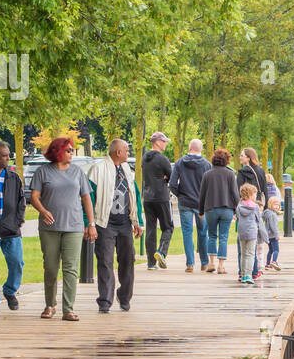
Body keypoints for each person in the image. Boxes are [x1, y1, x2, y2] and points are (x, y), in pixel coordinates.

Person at [29, 137, 95, 322]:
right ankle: (50, 304)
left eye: (73, 150)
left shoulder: (77, 172)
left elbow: (86, 198)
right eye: (69, 150)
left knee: (71, 268)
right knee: (50, 267)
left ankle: (68, 308)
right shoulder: (43, 172)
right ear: (58, 151)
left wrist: (91, 224)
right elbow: (34, 196)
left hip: (73, 227)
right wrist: (42, 210)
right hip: (49, 228)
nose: (72, 153)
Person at [87, 139, 144, 313]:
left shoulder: (127, 170)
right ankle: (105, 301)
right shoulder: (98, 169)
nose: (129, 153)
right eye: (126, 150)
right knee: (105, 261)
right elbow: (88, 197)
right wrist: (90, 223)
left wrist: (138, 221)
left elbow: (135, 195)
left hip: (125, 223)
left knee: (128, 261)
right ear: (118, 152)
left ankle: (124, 296)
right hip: (105, 223)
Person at [0, 141, 27, 315]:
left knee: (17, 264)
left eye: (8, 154)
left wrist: (18, 221)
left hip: (11, 231)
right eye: (5, 155)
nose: (8, 158)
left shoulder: (13, 177)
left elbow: (21, 202)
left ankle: (10, 291)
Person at [168, 140, 211, 273]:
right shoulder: (207, 165)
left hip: (185, 202)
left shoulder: (180, 162)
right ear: (201, 149)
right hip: (201, 203)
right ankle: (204, 262)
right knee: (203, 232)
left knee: (187, 232)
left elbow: (172, 184)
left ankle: (190, 263)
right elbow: (209, 186)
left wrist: (180, 195)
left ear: (189, 148)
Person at [200, 148, 239, 275]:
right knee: (223, 237)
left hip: (210, 209)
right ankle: (221, 266)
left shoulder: (207, 174)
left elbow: (202, 194)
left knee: (211, 235)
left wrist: (201, 211)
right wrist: (237, 210)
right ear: (227, 160)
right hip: (227, 209)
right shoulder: (230, 174)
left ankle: (211, 263)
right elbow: (234, 194)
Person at [142, 131, 174, 269]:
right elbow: (171, 176)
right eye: (164, 141)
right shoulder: (162, 159)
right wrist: (164, 178)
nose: (166, 143)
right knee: (168, 227)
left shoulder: (144, 158)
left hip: (148, 197)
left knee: (150, 229)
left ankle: (150, 262)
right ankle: (161, 251)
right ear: (157, 142)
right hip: (161, 197)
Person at [235, 183, 262, 285]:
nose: (256, 196)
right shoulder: (255, 207)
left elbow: (238, 217)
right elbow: (258, 219)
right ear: (250, 195)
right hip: (251, 233)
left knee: (243, 254)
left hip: (241, 232)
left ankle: (243, 274)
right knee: (251, 254)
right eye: (255, 194)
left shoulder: (239, 205)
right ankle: (248, 275)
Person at [262, 192, 282, 272]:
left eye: (278, 205)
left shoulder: (266, 212)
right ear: (270, 205)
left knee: (270, 250)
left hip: (267, 235)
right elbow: (273, 226)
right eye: (275, 205)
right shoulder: (272, 215)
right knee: (276, 250)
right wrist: (277, 234)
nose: (277, 207)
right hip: (273, 235)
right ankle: (274, 261)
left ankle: (267, 264)